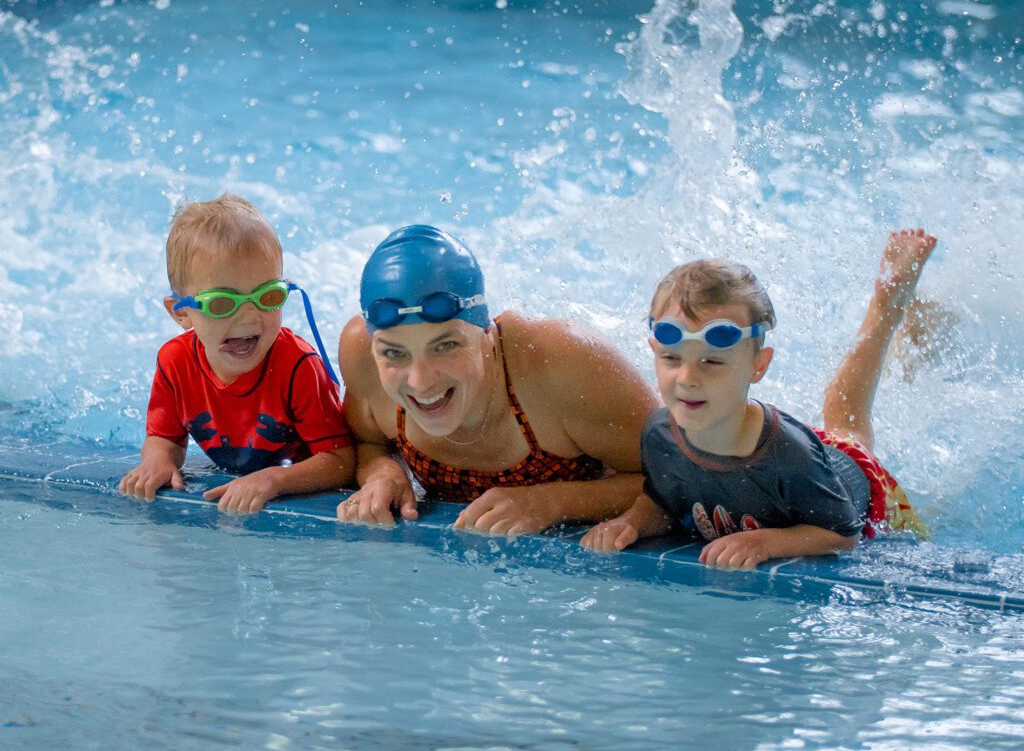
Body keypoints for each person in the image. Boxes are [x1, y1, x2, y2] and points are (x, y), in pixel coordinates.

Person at [581, 228, 935, 568]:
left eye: (712, 362)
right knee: (842, 413)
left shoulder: (789, 457)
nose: (687, 379)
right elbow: (663, 500)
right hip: (809, 459)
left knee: (850, 428)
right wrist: (632, 522)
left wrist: (764, 543)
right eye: (672, 359)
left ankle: (888, 304)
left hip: (855, 480)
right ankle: (890, 307)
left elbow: (843, 533)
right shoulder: (660, 434)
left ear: (758, 365)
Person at [336, 225, 659, 535]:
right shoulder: (362, 355)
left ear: (487, 334)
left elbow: (671, 478)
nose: (420, 382)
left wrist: (551, 501)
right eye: (394, 353)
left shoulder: (560, 365)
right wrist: (383, 474)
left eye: (445, 346)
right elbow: (368, 443)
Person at [119, 194, 355, 513]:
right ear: (181, 312)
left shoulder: (298, 366)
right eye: (222, 303)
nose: (248, 318)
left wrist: (274, 480)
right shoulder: (175, 362)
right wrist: (158, 460)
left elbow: (341, 462)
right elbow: (166, 437)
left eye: (268, 296)